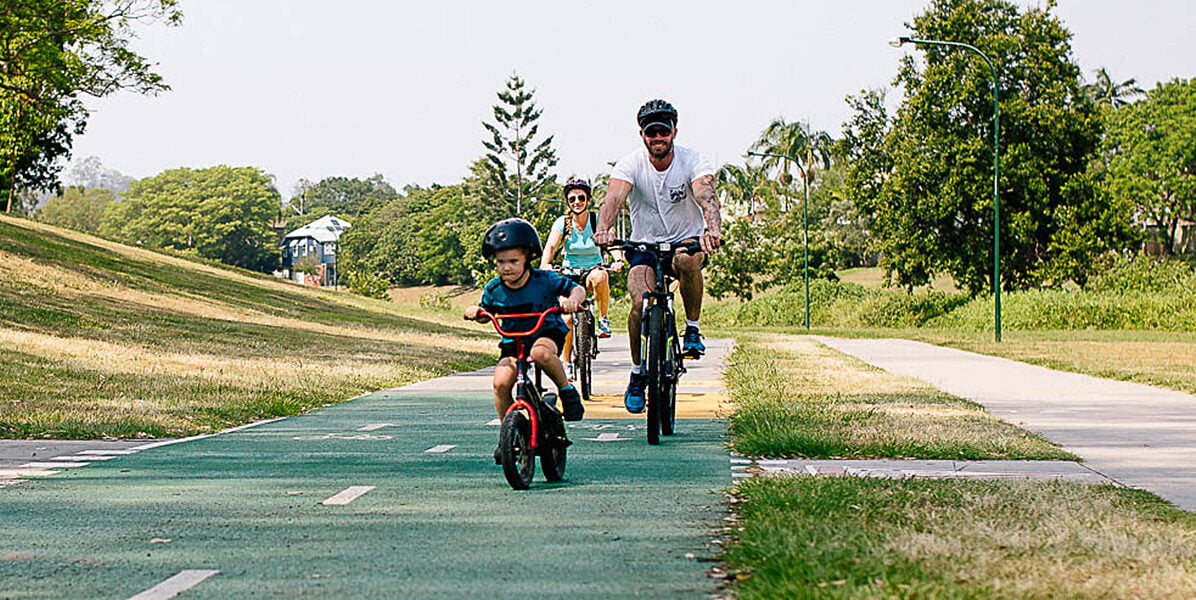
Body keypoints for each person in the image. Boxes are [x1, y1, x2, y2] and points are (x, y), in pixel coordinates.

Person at [593, 99, 722, 414]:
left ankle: (692, 328)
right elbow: (613, 198)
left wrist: (713, 229)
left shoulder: (693, 160)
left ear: (674, 131)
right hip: (644, 246)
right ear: (642, 135)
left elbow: (707, 197)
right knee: (639, 302)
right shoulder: (631, 164)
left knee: (691, 261)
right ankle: (637, 375)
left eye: (664, 131)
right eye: (652, 133)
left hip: (685, 242)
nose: (658, 138)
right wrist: (604, 229)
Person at [464, 218, 586, 427]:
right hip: (514, 343)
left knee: (540, 353)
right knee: (500, 383)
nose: (506, 268)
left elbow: (577, 289)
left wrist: (573, 301)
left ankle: (566, 390)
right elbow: (486, 313)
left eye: (513, 261)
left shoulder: (544, 280)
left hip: (545, 334)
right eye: (501, 262)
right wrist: (477, 312)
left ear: (527, 258)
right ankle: (509, 431)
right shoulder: (494, 289)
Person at [540, 178, 625, 371]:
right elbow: (552, 245)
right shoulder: (563, 223)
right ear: (568, 202)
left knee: (600, 276)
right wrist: (545, 264)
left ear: (587, 199)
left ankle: (603, 320)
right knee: (567, 319)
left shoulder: (597, 221)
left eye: (581, 197)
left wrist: (618, 259)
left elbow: (611, 244)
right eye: (572, 199)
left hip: (592, 271)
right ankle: (566, 361)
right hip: (569, 274)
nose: (576, 202)